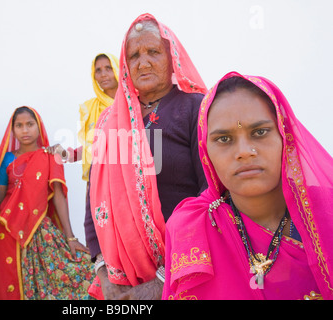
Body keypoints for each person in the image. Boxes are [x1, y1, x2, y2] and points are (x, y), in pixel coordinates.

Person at [163, 72, 333, 300]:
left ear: (285, 136)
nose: (244, 151)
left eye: (259, 132)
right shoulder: (191, 228)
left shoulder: (326, 212)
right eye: (223, 139)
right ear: (205, 151)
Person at [85, 13, 208, 300]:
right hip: (118, 282)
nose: (143, 62)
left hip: (182, 272)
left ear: (171, 56)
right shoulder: (110, 120)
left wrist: (164, 279)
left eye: (153, 51)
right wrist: (104, 274)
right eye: (134, 55)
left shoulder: (195, 109)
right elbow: (94, 200)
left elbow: (210, 195)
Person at [0, 106, 94, 300]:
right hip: (6, 233)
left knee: (83, 273)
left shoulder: (51, 155)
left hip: (39, 232)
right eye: (19, 126)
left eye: (30, 124)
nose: (25, 130)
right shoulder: (8, 158)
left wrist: (70, 237)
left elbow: (59, 196)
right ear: (13, 130)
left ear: (39, 127)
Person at [50, 53, 119, 183]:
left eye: (108, 68)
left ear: (118, 69)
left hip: (126, 178)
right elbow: (90, 149)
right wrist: (65, 155)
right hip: (98, 180)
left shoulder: (133, 104)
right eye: (98, 70)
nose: (103, 74)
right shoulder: (91, 107)